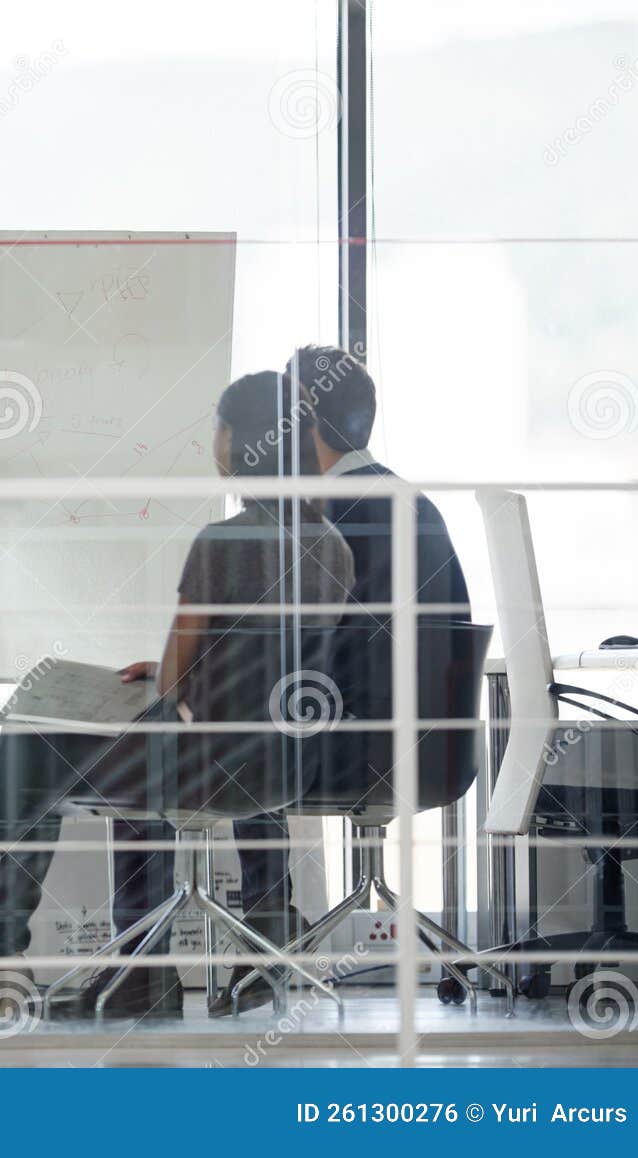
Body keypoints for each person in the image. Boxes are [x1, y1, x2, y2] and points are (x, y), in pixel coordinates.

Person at [0, 371, 355, 1018]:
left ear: (245, 443)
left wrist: (171, 670)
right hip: (281, 770)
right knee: (55, 749)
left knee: (34, 740)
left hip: (204, 771)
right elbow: (269, 663)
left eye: (221, 426)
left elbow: (178, 682)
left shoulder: (222, 543)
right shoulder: (335, 549)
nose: (215, 438)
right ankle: (102, 964)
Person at [204, 345, 473, 1016]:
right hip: (436, 755)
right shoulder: (414, 504)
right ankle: (266, 929)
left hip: (354, 754)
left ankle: (262, 934)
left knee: (219, 726)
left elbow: (284, 656)